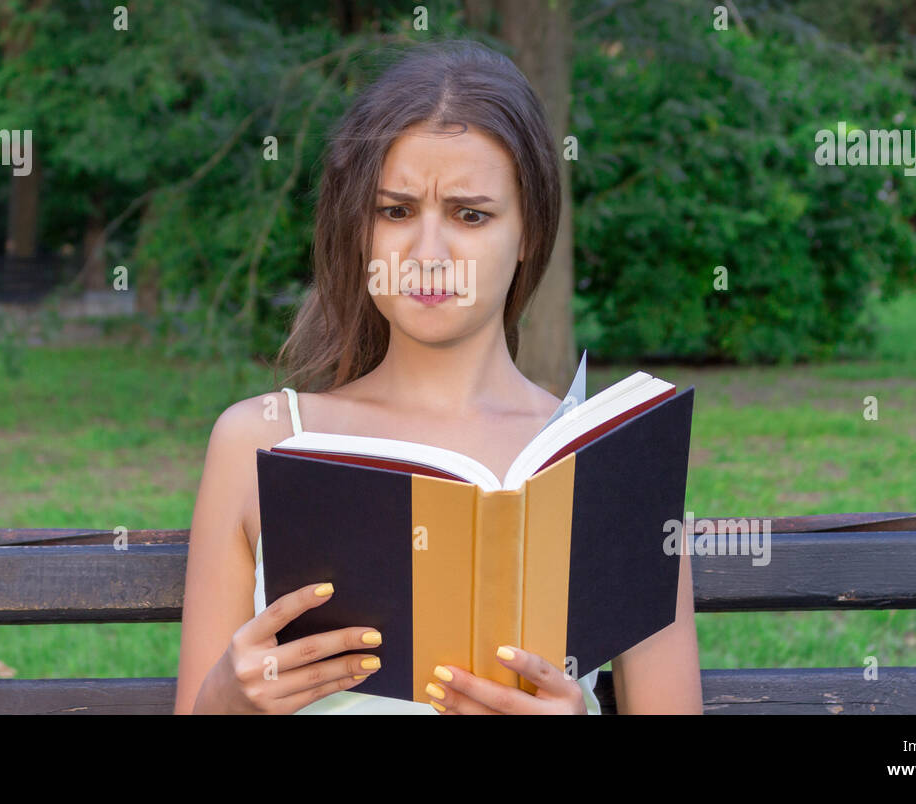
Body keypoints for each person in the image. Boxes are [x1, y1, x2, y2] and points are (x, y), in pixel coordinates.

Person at [174, 39, 702, 714]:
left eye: (470, 215)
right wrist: (227, 696)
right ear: (359, 229)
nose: (428, 255)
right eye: (395, 211)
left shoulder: (618, 462)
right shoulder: (259, 441)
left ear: (529, 236)